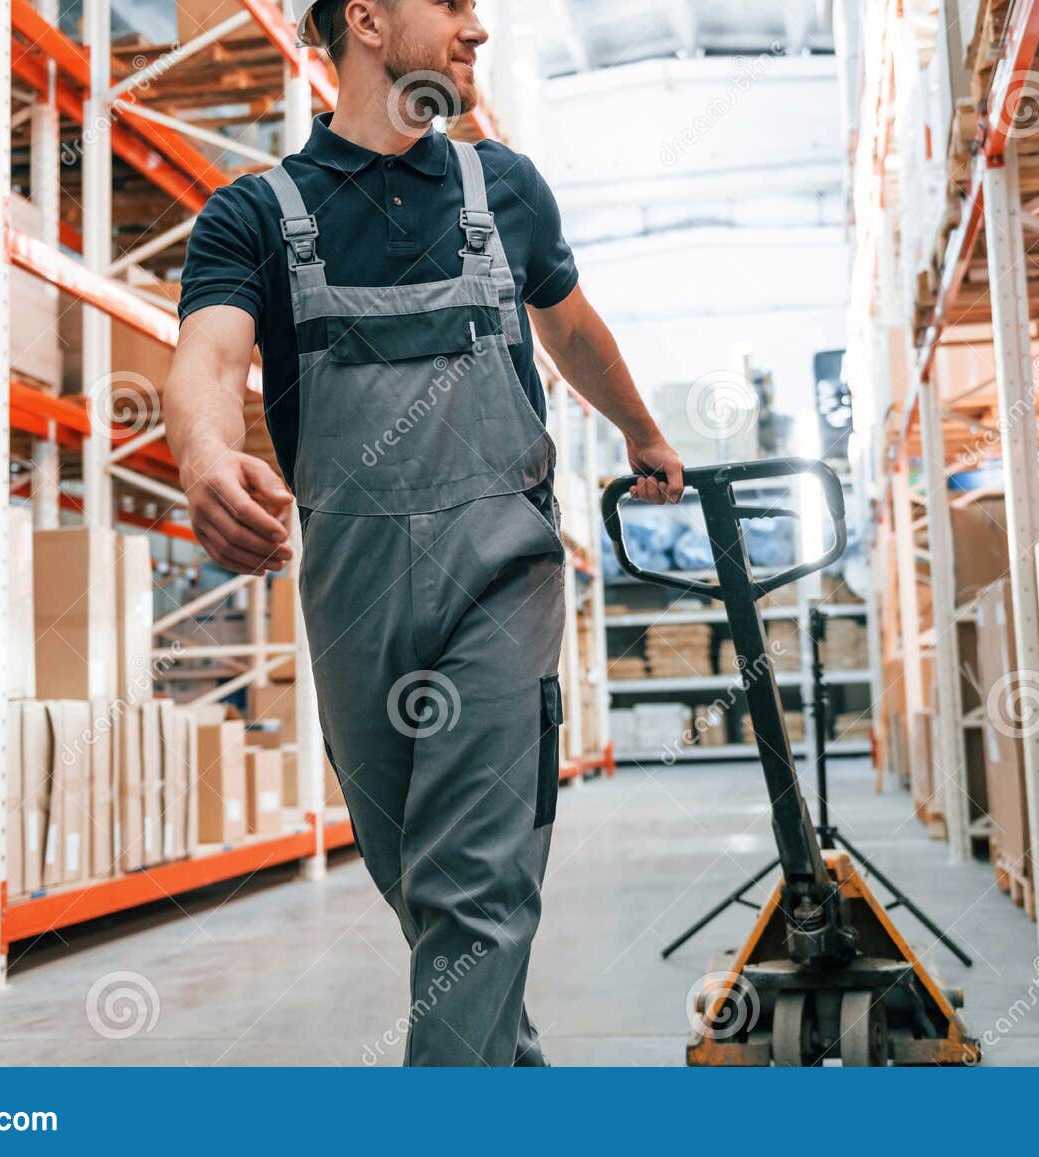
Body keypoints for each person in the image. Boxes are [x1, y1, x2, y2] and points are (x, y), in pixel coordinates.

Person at [164, 0, 684, 1066]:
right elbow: (210, 359)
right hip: (354, 591)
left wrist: (640, 428)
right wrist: (206, 456)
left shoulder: (507, 192)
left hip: (502, 572)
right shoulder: (254, 215)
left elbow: (570, 324)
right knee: (423, 881)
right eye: (450, 3)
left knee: (471, 885)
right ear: (365, 18)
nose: (475, 28)